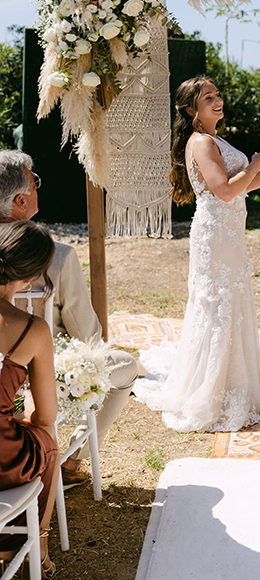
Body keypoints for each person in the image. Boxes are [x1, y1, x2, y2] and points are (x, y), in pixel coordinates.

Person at [134, 75, 260, 431]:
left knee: (232, 300)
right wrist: (253, 164)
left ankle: (232, 381)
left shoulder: (214, 139)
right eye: (208, 98)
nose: (217, 101)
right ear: (192, 109)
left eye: (218, 95)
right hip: (216, 236)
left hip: (229, 235)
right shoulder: (202, 142)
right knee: (218, 303)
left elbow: (243, 186)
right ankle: (212, 387)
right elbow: (223, 191)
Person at [0, 150, 138, 490]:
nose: (38, 190)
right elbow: (87, 338)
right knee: (126, 366)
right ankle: (70, 461)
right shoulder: (57, 257)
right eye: (36, 184)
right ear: (21, 200)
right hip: (44, 383)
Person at [0, 220, 60, 578]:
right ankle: (36, 546)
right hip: (2, 458)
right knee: (47, 443)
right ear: (29, 277)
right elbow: (45, 415)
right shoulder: (32, 330)